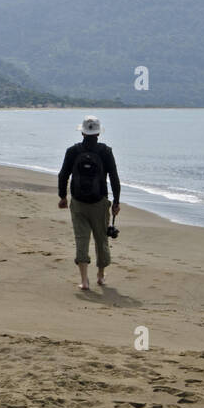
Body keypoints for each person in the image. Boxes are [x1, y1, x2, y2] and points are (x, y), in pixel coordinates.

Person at [57, 114, 121, 291]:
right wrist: (116, 202)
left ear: (82, 133)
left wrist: (62, 196)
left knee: (81, 239)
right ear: (98, 134)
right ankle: (100, 275)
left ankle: (84, 280)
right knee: (101, 239)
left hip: (78, 203)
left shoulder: (72, 151)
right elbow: (114, 178)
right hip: (100, 202)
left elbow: (63, 175)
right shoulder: (105, 152)